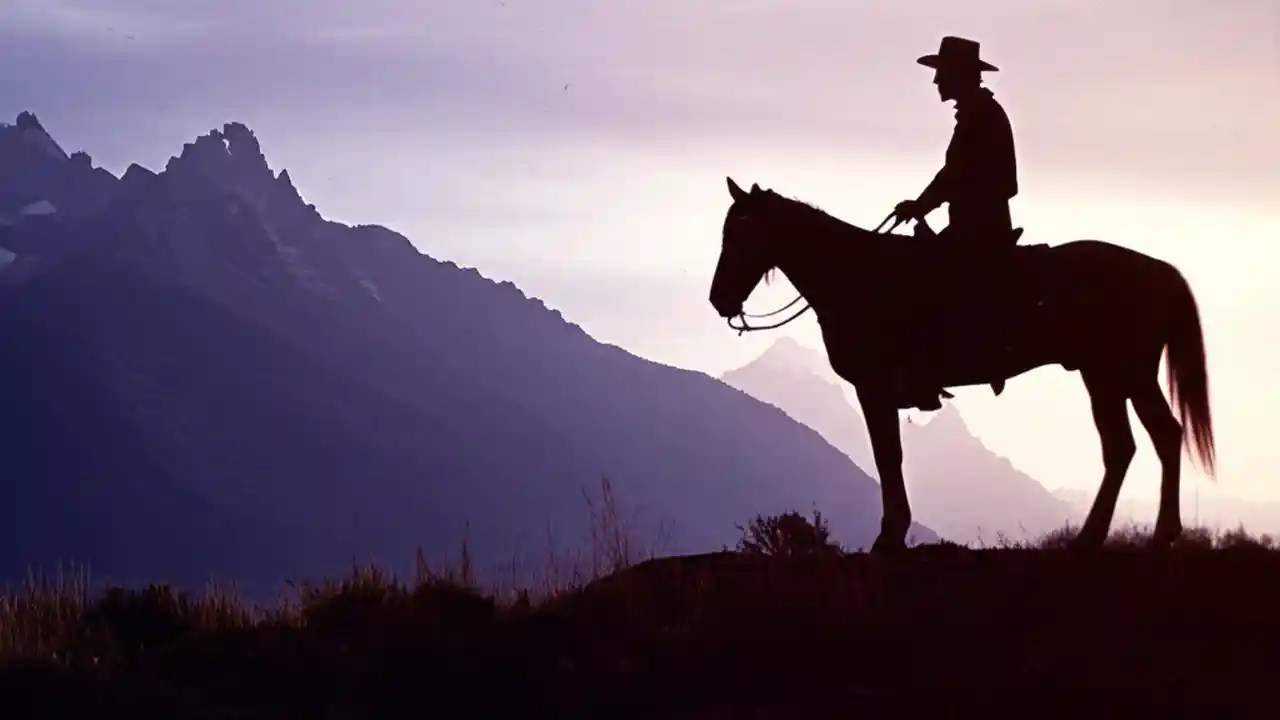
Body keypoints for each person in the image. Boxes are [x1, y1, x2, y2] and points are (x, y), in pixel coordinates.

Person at [891, 36, 1021, 410]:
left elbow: (960, 176)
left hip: (979, 230)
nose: (936, 82)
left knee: (924, 282)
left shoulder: (980, 117)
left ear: (958, 75)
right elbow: (953, 174)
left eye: (941, 74)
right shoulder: (977, 114)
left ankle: (927, 377)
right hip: (973, 224)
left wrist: (923, 205)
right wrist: (922, 205)